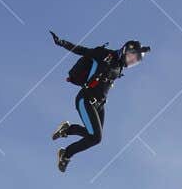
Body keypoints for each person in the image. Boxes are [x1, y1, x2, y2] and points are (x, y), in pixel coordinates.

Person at [49, 32, 150, 173]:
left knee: (93, 136)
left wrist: (144, 50)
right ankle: (65, 154)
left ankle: (67, 129)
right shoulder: (104, 54)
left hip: (100, 105)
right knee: (96, 138)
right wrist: (62, 42)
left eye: (137, 61)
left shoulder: (119, 67)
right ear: (126, 50)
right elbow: (81, 50)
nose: (133, 61)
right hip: (85, 99)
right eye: (133, 56)